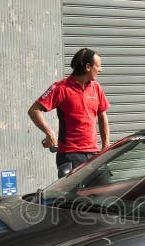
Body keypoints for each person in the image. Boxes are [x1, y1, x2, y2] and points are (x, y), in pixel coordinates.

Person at [27, 48, 110, 177]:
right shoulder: (60, 88)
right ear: (88, 67)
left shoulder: (96, 87)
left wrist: (105, 145)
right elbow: (34, 110)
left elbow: (102, 115)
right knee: (73, 197)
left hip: (94, 153)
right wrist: (49, 133)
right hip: (70, 155)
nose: (100, 70)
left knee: (106, 192)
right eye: (98, 66)